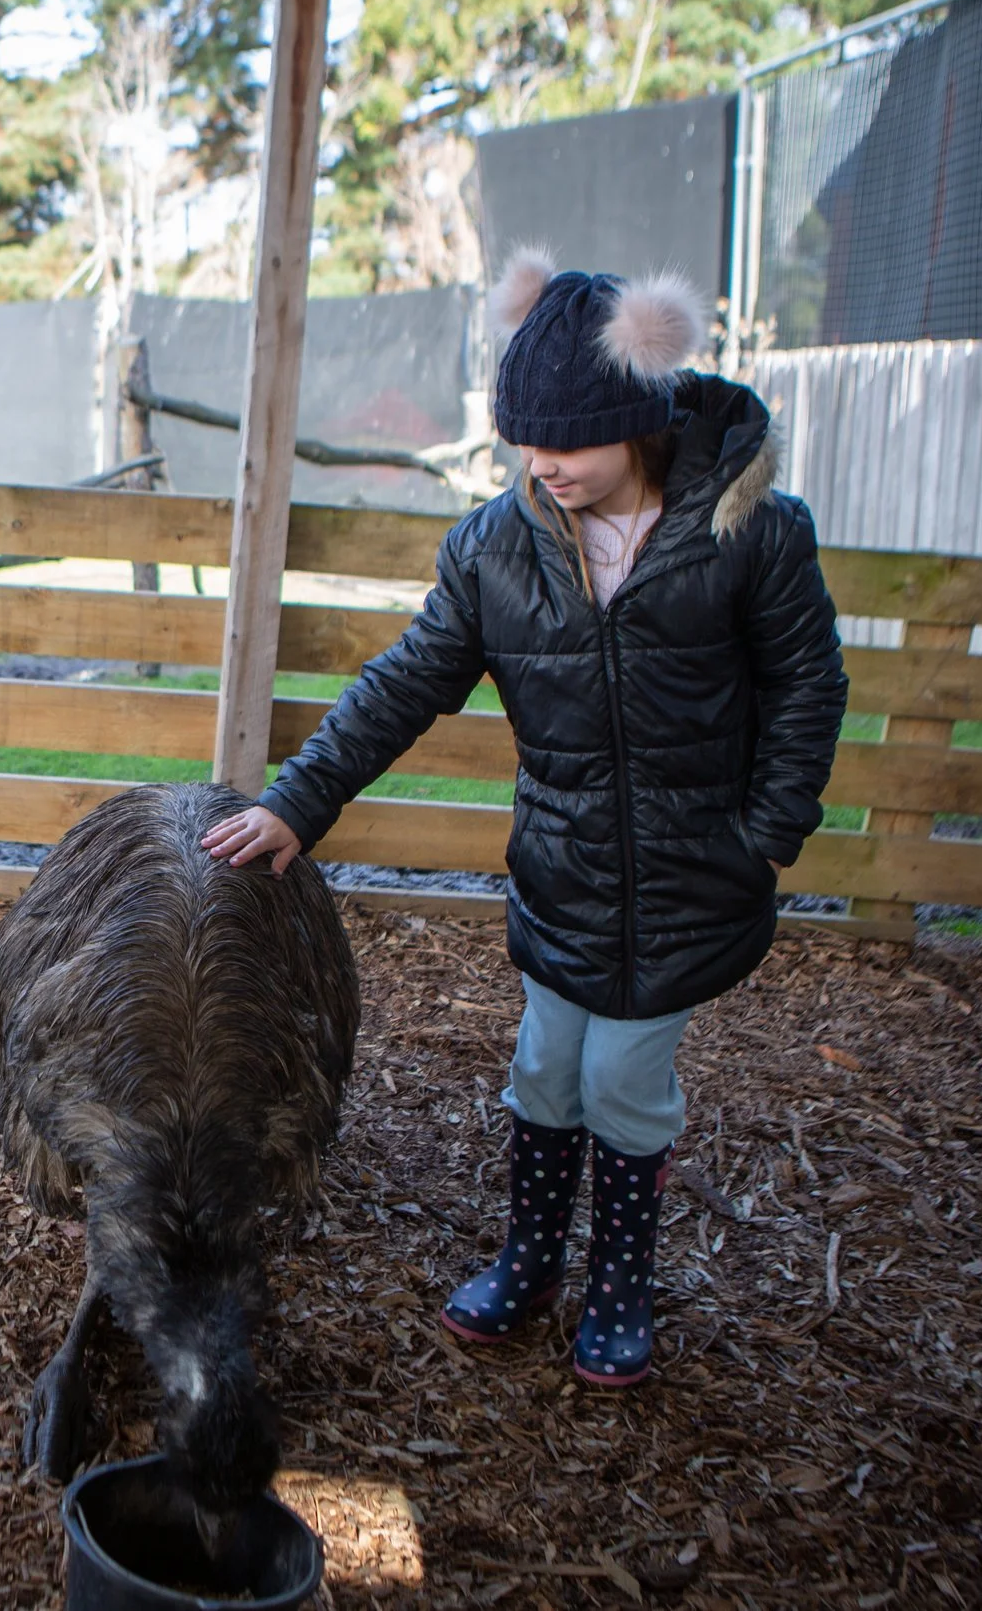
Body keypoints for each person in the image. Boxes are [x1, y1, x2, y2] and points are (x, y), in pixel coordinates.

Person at [202, 251, 848, 1389]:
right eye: (525, 442)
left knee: (623, 1082)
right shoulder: (496, 549)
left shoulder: (750, 532)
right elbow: (406, 681)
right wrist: (300, 801)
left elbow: (808, 685)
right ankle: (532, 1256)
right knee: (546, 1071)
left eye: (565, 442)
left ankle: (620, 1281)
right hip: (564, 871)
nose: (541, 463)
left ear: (635, 421)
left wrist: (765, 834)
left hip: (694, 878)